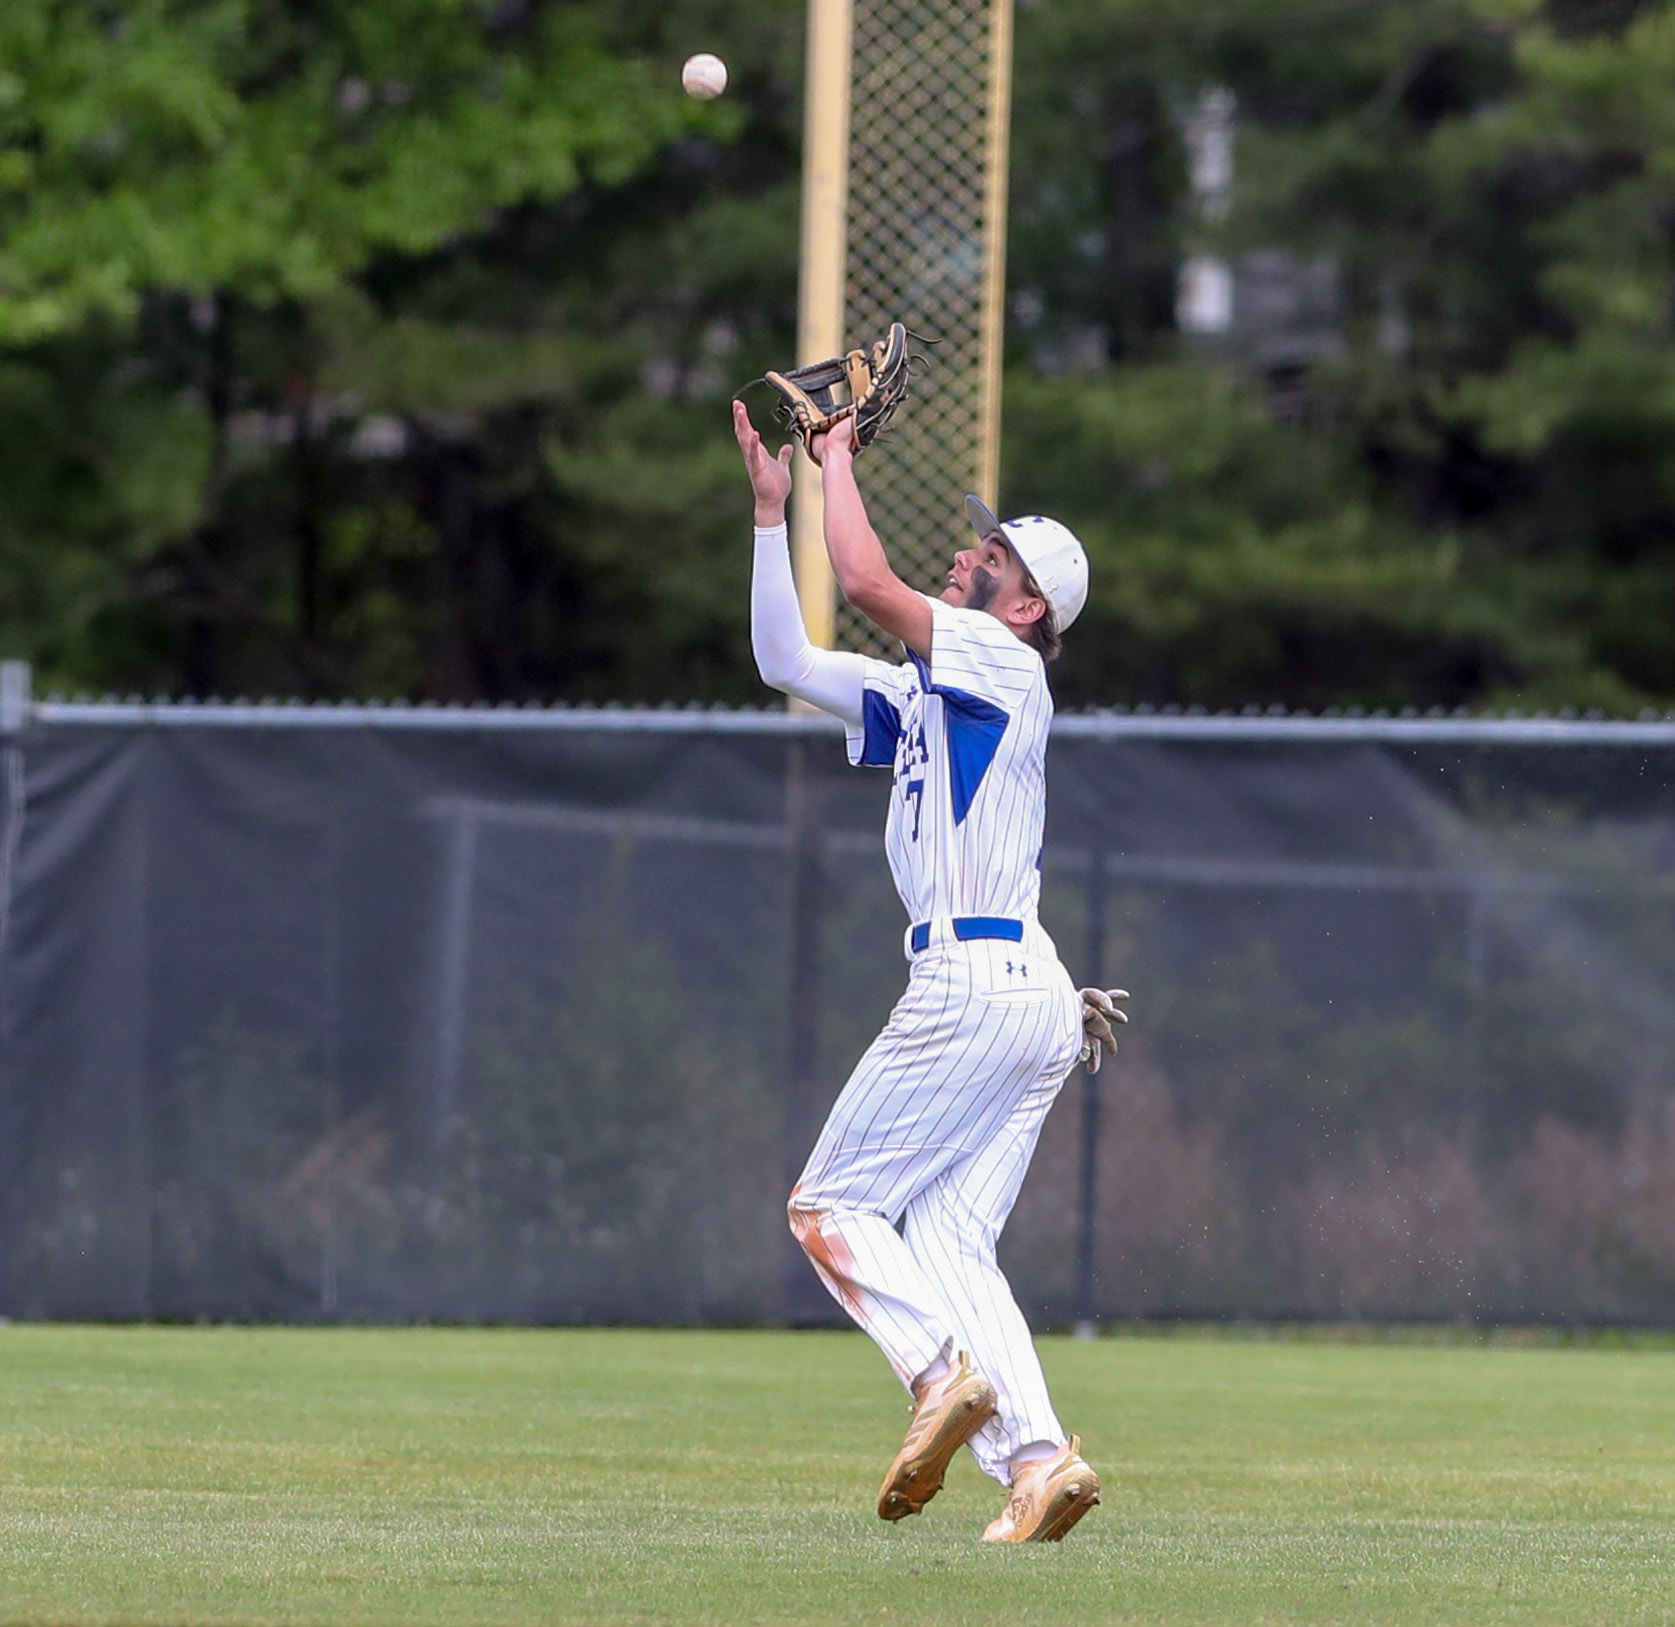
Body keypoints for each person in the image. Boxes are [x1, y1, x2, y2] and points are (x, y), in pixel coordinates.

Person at [732, 399, 1125, 1544]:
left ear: (1028, 603)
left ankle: (934, 1373)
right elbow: (783, 659)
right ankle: (1042, 1461)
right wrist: (775, 511)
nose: (966, 552)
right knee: (949, 1236)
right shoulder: (925, 690)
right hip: (1030, 990)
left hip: (971, 981)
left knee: (830, 1203)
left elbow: (863, 581)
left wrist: (836, 459)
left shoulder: (1001, 660)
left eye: (990, 553)